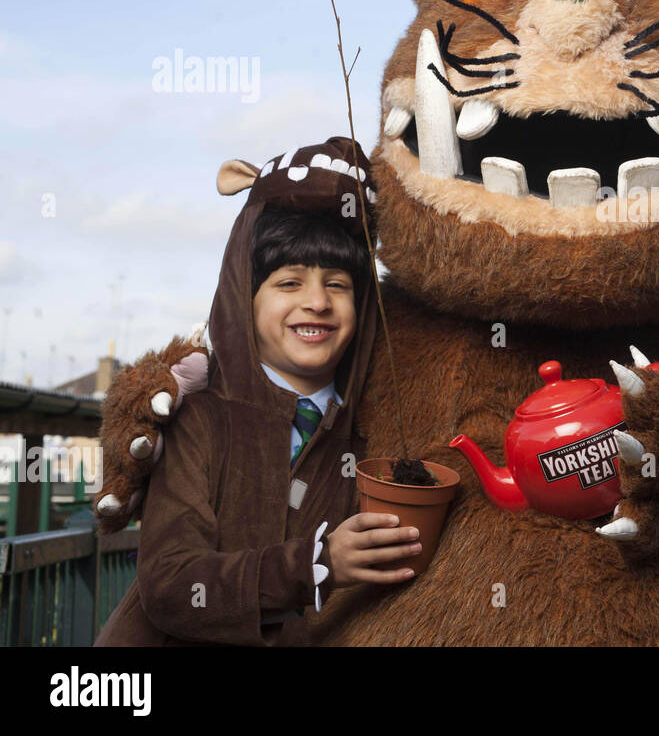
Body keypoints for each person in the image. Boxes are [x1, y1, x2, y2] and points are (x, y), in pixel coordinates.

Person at [95, 139, 419, 646]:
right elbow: (171, 585)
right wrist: (315, 565)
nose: (316, 302)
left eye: (338, 284)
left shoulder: (374, 442)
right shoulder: (197, 422)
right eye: (288, 283)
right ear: (244, 299)